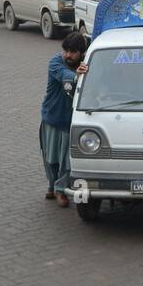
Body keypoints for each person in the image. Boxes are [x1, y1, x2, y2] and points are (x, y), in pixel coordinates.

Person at [40, 31, 89, 207]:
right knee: (51, 157)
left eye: (73, 52)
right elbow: (64, 75)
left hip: (71, 121)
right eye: (66, 50)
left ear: (81, 52)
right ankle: (51, 186)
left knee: (66, 160)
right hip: (52, 117)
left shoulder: (87, 62)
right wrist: (78, 75)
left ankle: (61, 190)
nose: (68, 55)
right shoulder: (55, 62)